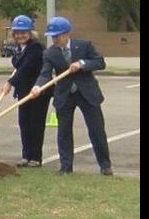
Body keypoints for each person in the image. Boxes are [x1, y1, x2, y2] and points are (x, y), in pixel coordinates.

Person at [30, 17, 112, 175]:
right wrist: (37, 87)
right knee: (64, 131)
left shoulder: (84, 45)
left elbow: (100, 62)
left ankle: (105, 166)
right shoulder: (49, 53)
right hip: (64, 95)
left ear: (66, 34)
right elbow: (45, 74)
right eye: (52, 37)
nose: (55, 39)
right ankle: (66, 167)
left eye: (57, 36)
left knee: (96, 130)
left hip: (87, 93)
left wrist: (82, 64)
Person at [1, 15, 48, 167]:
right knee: (24, 123)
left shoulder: (35, 47)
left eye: (23, 32)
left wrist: (9, 83)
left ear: (30, 32)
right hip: (24, 91)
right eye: (17, 33)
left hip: (37, 92)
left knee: (35, 124)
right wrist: (12, 82)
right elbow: (18, 68)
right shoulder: (20, 48)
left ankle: (35, 158)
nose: (20, 35)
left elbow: (26, 68)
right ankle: (26, 155)